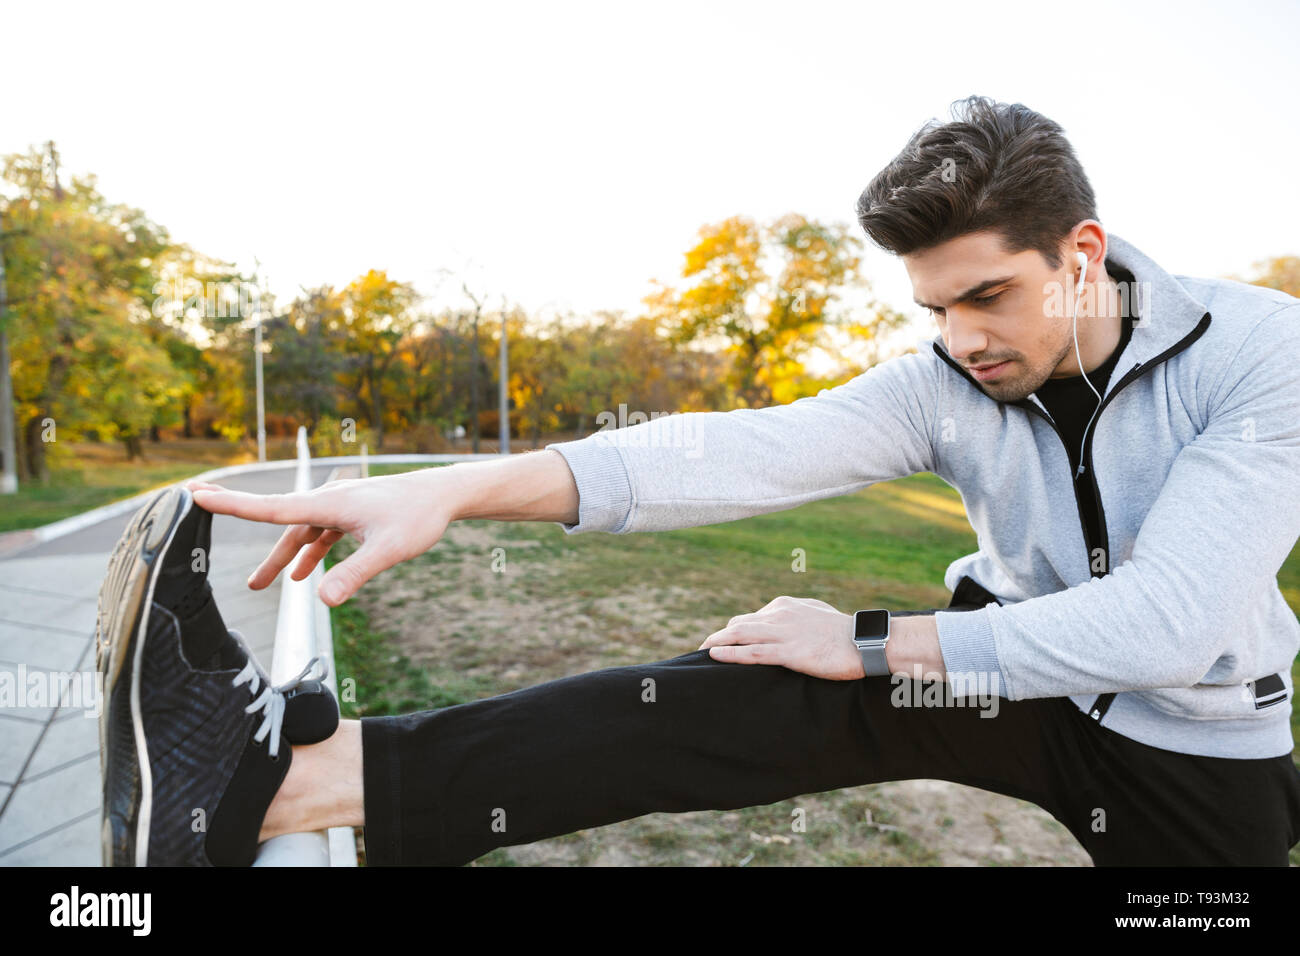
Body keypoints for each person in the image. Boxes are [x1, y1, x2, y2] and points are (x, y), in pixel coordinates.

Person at [96, 95, 1300, 867]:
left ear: (1080, 253)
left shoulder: (1258, 354)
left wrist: (876, 642)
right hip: (1004, 665)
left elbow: (1167, 620)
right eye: (934, 306)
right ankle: (276, 786)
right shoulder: (946, 377)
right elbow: (729, 450)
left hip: (1192, 739)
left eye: (988, 295)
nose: (962, 336)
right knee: (738, 687)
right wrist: (457, 487)